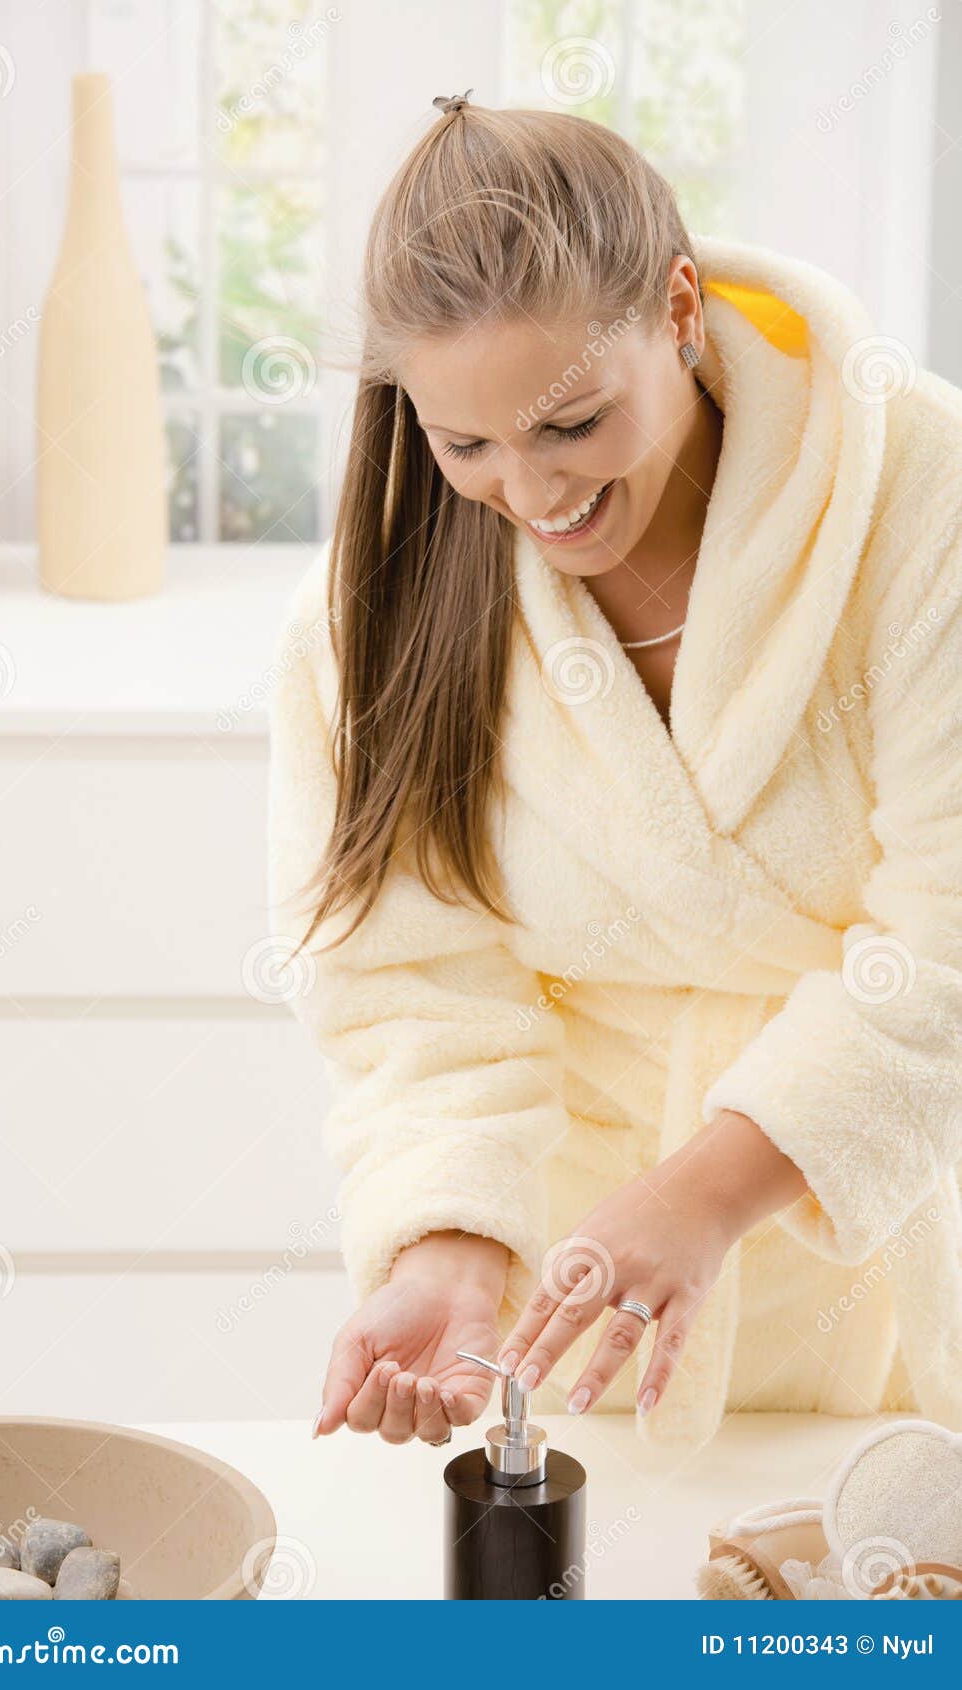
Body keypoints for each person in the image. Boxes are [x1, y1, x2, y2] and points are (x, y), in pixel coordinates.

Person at [266, 97, 962, 1454]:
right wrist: (456, 1250)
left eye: (572, 422)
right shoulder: (368, 619)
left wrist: (702, 1196)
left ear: (682, 309)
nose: (530, 493)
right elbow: (411, 986)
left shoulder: (923, 498)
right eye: (467, 446)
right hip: (576, 1311)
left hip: (870, 1242)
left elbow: (951, 938)